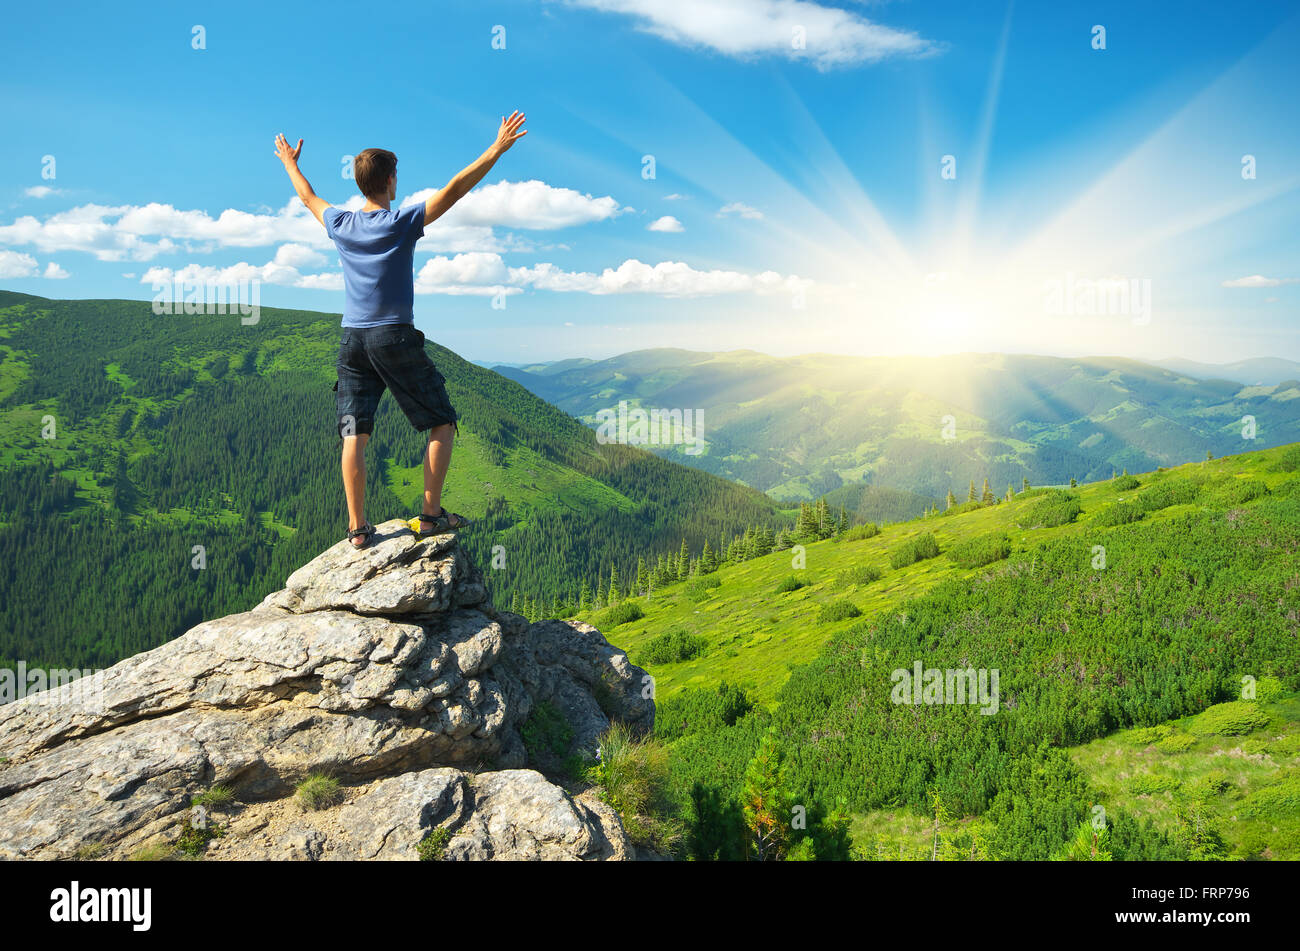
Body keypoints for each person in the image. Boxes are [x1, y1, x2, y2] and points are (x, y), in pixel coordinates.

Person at [273, 112, 528, 548]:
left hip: (352, 340)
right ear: (390, 180)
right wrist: (496, 149)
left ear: (358, 183)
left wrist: (289, 163)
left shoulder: (340, 224)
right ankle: (430, 518)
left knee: (354, 431)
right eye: (397, 177)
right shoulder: (401, 222)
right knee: (441, 422)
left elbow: (307, 197)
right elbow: (454, 190)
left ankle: (357, 529)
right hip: (394, 336)